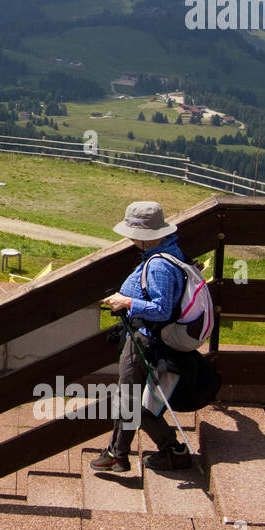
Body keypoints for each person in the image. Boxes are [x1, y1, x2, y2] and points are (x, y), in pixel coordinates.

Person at [91, 201, 193, 473]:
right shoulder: (168, 251)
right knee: (133, 398)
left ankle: (160, 450)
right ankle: (121, 453)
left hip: (145, 339)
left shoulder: (158, 264)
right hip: (146, 336)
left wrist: (126, 302)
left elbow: (161, 309)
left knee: (129, 397)